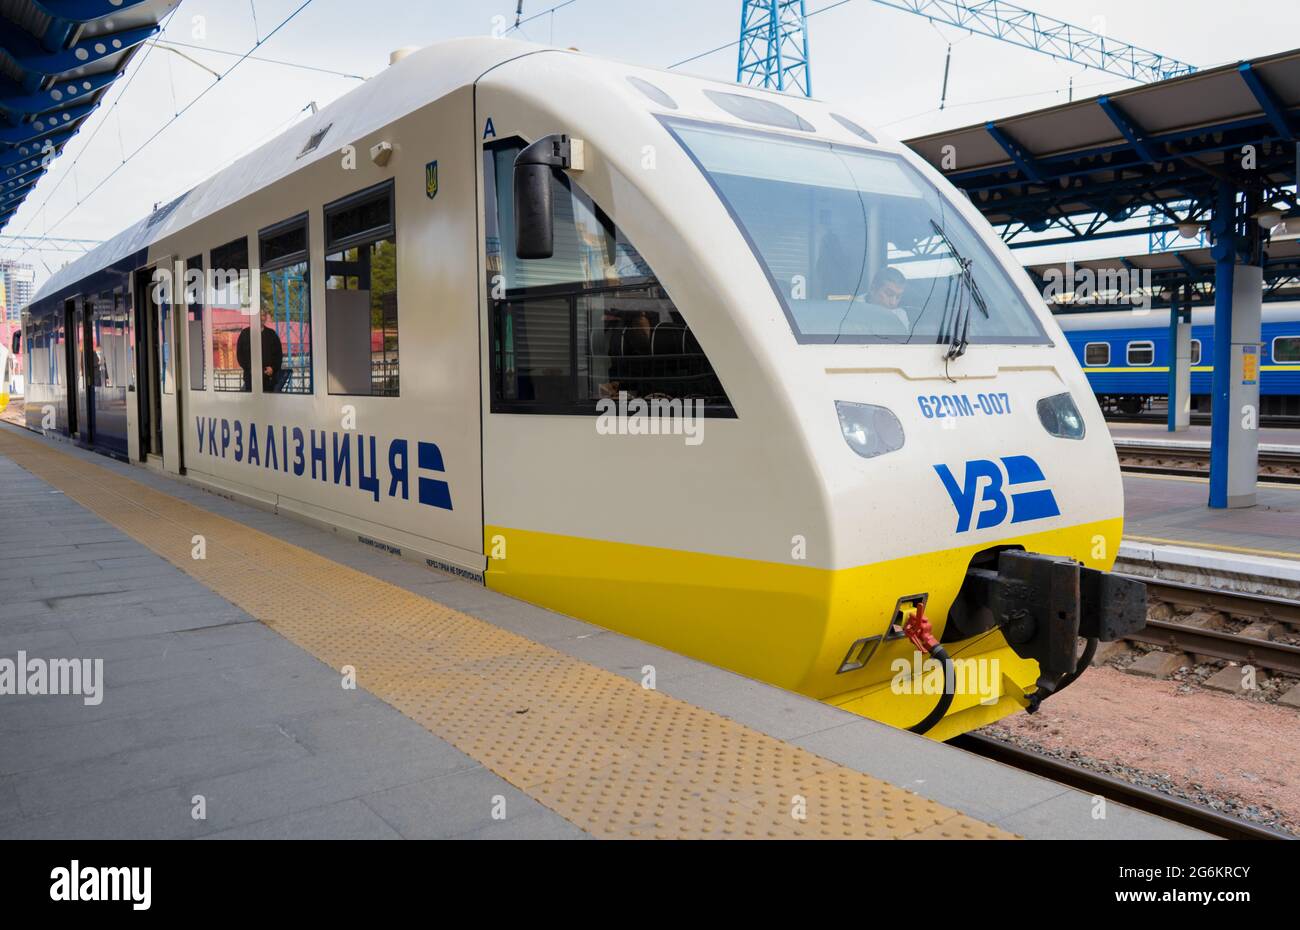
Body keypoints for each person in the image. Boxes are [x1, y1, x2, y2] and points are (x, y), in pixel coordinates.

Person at [236, 323, 285, 392]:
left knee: (268, 401)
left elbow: (278, 355)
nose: (261, 318)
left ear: (265, 317)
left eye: (263, 315)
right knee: (252, 401)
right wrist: (250, 369)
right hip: (251, 378)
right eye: (259, 316)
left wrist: (273, 368)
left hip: (268, 378)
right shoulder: (245, 334)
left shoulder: (271, 334)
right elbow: (240, 355)